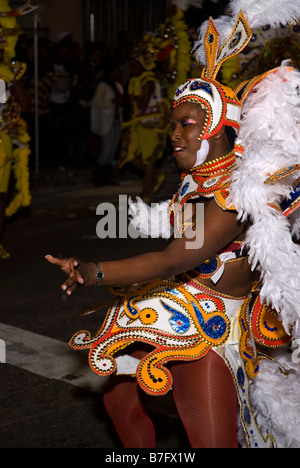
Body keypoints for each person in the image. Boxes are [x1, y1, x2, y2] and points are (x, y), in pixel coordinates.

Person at [46, 4, 300, 449]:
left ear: (220, 129)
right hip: (171, 305)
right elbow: (174, 227)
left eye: (186, 125)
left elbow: (176, 256)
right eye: (173, 126)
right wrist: (137, 217)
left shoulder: (239, 195)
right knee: (120, 405)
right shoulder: (192, 185)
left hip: (213, 326)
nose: (175, 136)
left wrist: (93, 271)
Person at [91, 62, 124, 186]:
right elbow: (97, 102)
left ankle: (106, 176)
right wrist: (112, 103)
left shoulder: (117, 85)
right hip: (106, 120)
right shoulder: (103, 85)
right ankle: (99, 175)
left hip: (116, 120)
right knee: (107, 148)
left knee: (113, 148)